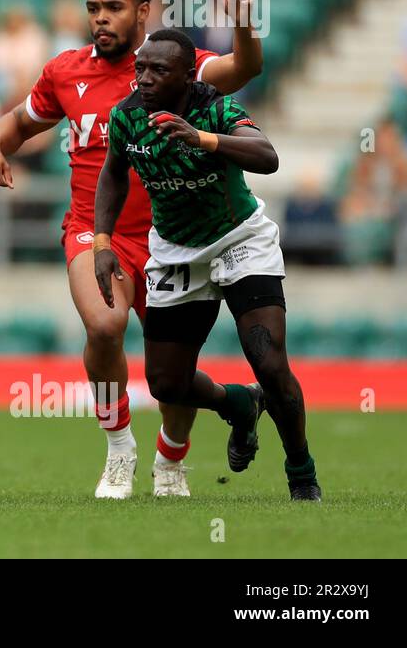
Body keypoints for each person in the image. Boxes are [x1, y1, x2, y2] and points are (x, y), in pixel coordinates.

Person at [0, 0, 263, 498]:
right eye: (93, 8)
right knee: (105, 327)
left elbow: (242, 70)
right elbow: (17, 123)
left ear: (143, 10)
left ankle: (173, 460)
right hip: (94, 230)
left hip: (173, 237)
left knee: (172, 365)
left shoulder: (174, 64)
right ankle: (118, 449)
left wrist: (246, 27)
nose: (101, 19)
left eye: (113, 7)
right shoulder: (65, 71)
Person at [93, 29, 320, 502]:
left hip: (240, 239)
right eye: (141, 69)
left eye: (159, 70)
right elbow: (113, 173)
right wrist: (101, 241)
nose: (145, 79)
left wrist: (204, 139)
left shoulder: (214, 107)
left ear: (185, 74)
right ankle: (238, 403)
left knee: (268, 359)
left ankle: (301, 472)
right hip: (176, 250)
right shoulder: (127, 117)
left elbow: (268, 157)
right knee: (166, 383)